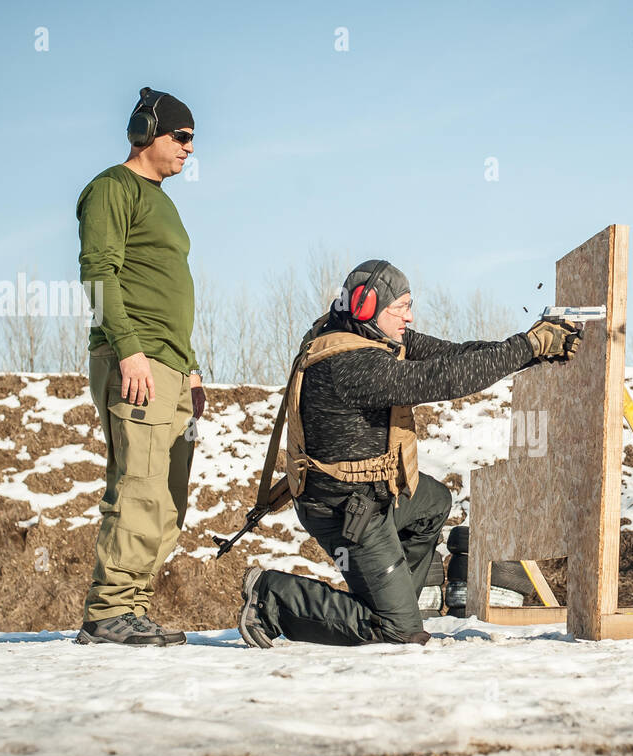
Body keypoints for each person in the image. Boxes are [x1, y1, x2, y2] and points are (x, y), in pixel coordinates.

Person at [237, 260, 580, 647]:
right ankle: (270, 596)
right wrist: (527, 346)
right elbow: (445, 378)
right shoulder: (350, 363)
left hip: (373, 496)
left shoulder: (369, 335)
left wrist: (531, 349)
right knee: (399, 633)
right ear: (367, 307)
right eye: (400, 308)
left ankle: (397, 603)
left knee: (433, 502)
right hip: (343, 508)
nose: (409, 317)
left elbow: (451, 356)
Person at [75, 86, 205, 646]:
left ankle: (134, 607)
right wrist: (128, 349)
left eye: (193, 141)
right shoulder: (112, 188)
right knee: (139, 487)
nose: (190, 150)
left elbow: (167, 290)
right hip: (137, 358)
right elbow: (97, 274)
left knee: (169, 496)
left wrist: (192, 368)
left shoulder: (163, 201)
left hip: (170, 365)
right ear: (146, 130)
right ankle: (108, 614)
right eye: (182, 137)